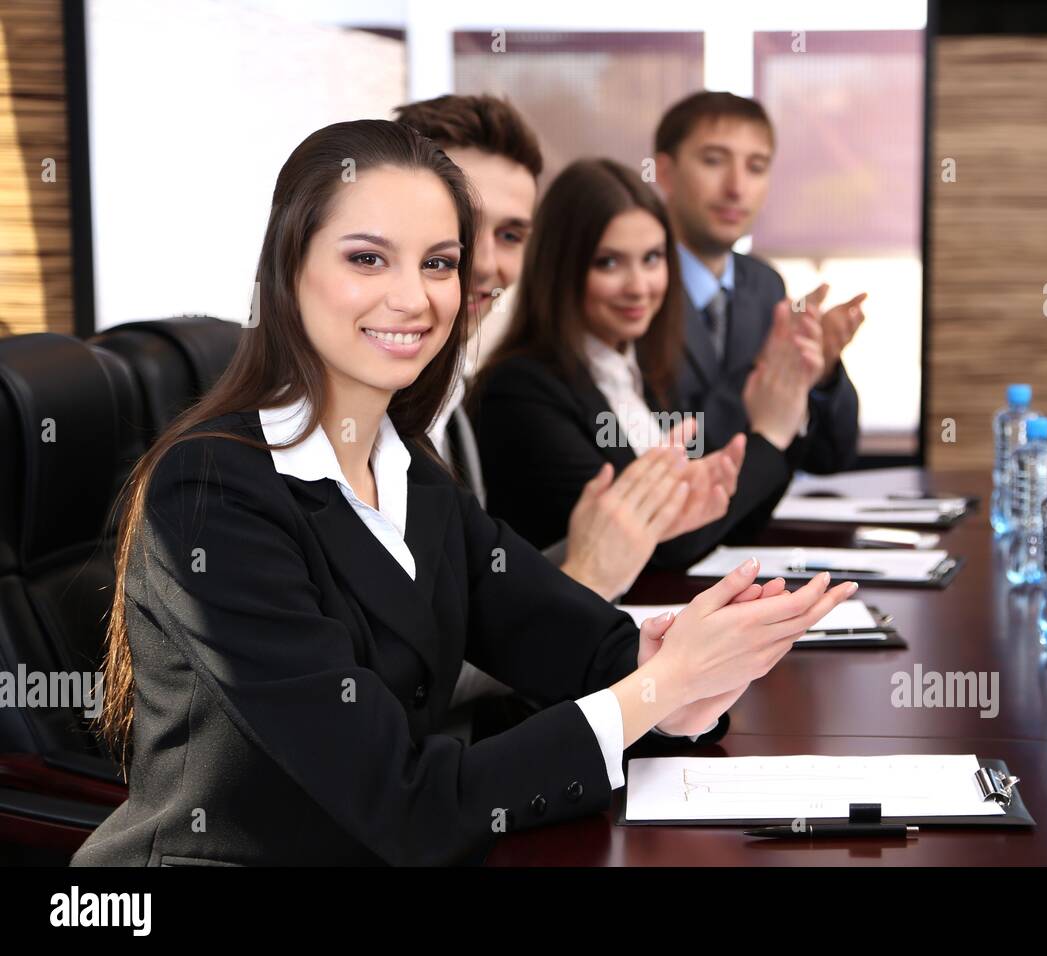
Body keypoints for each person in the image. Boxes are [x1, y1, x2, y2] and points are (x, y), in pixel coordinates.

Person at [70, 120, 858, 867]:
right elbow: (402, 802)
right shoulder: (212, 493)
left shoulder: (409, 471)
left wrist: (683, 670)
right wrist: (658, 690)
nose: (415, 298)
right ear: (288, 269)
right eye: (368, 259)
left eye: (439, 263)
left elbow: (574, 638)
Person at [394, 94, 738, 604]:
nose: (487, 264)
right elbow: (405, 667)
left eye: (510, 235)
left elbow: (469, 616)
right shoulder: (505, 390)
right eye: (461, 225)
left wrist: (603, 552)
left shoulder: (451, 414)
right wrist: (587, 576)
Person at [473, 158, 816, 566]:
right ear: (561, 270)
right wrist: (770, 434)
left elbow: (727, 520)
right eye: (609, 263)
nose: (638, 287)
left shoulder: (645, 374)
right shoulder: (519, 390)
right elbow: (662, 541)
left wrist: (787, 399)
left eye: (652, 258)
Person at [654, 91, 866, 473]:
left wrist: (820, 375)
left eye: (756, 167)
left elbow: (829, 460)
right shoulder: (636, 290)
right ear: (665, 173)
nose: (736, 187)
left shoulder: (765, 285)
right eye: (714, 161)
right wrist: (768, 371)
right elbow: (666, 445)